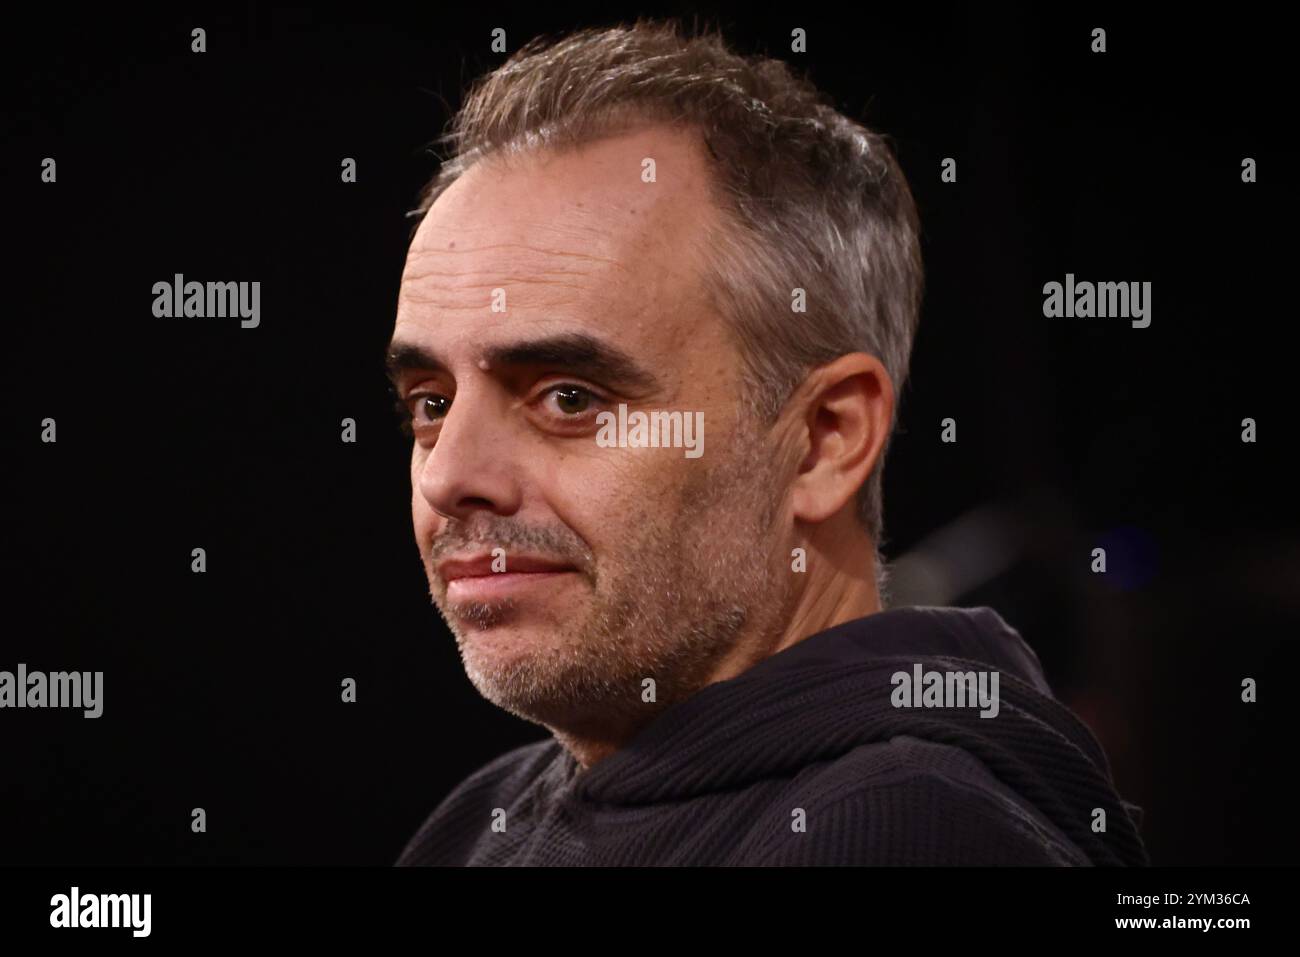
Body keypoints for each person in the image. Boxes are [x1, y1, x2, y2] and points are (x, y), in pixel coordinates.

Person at [386, 19, 1147, 866]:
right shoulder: (487, 816)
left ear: (823, 439)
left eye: (569, 397)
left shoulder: (905, 834)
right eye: (430, 403)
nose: (450, 473)